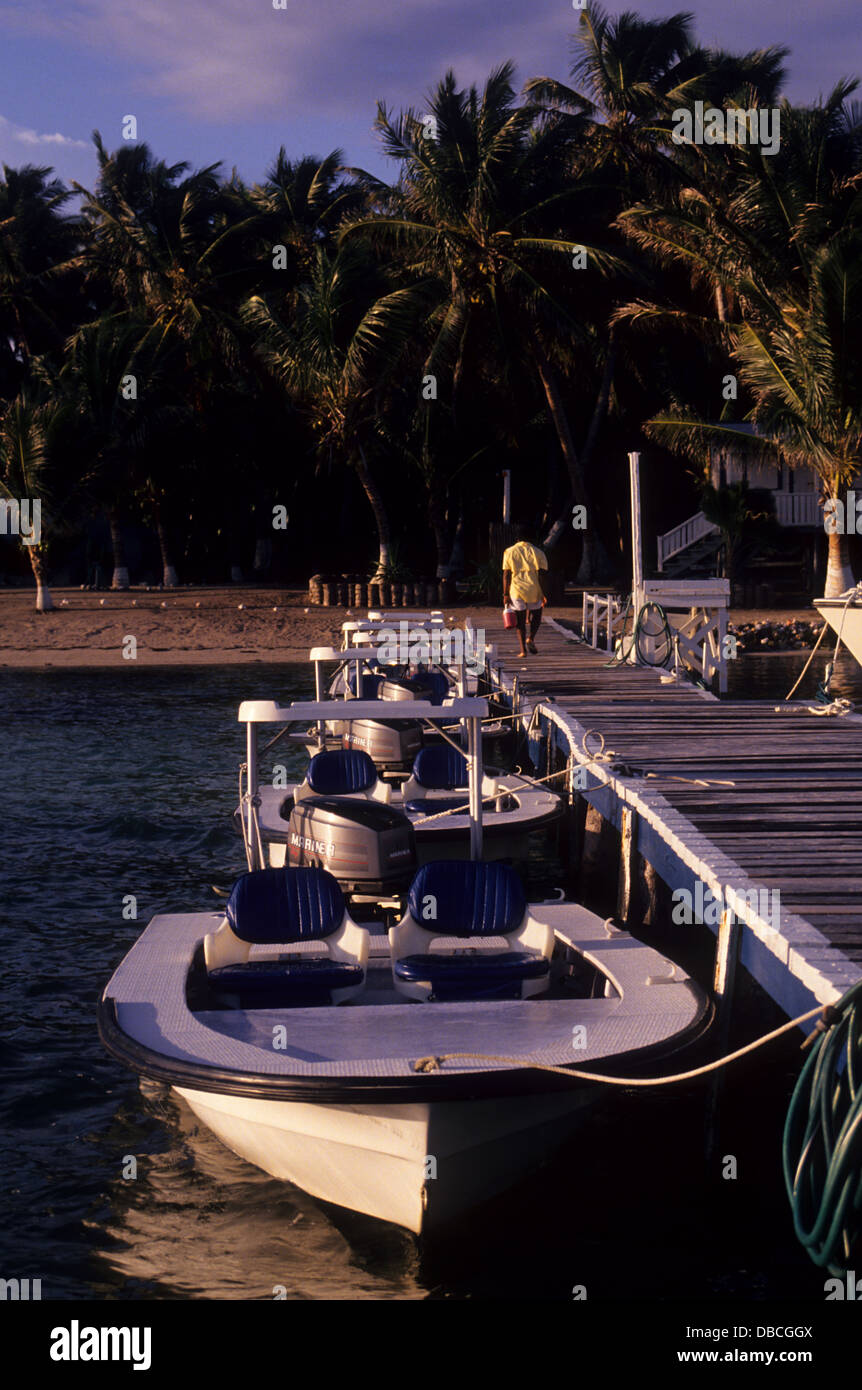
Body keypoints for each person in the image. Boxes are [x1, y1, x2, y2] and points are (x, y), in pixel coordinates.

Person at [502, 524, 548, 657]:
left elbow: (506, 575)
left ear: (517, 537)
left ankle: (523, 651)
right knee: (537, 616)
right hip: (534, 589)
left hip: (516, 590)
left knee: (520, 622)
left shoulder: (509, 551)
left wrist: (505, 594)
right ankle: (531, 638)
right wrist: (543, 592)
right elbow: (544, 575)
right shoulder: (538, 552)